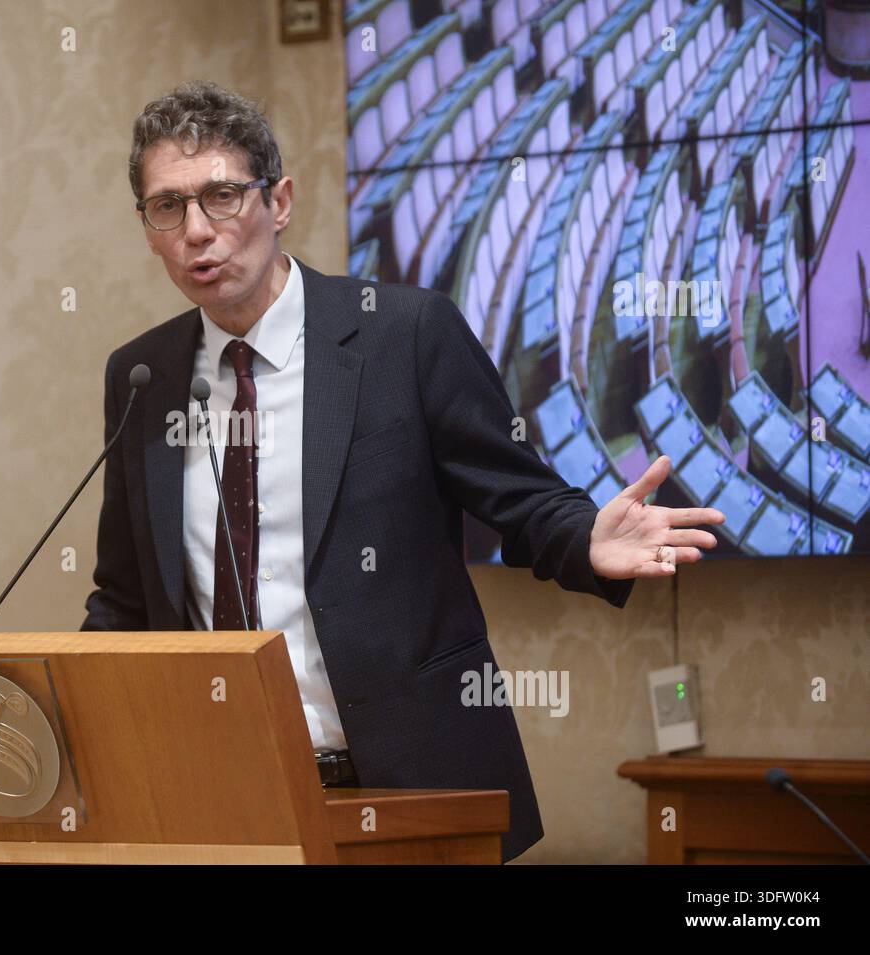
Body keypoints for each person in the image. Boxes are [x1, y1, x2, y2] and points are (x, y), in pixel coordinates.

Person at [80, 81, 725, 862]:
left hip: (412, 786)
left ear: (279, 201)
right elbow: (125, 596)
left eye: (221, 196)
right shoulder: (141, 375)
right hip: (225, 801)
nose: (197, 232)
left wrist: (586, 533)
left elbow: (518, 497)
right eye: (167, 207)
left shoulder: (405, 335)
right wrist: (74, 721)